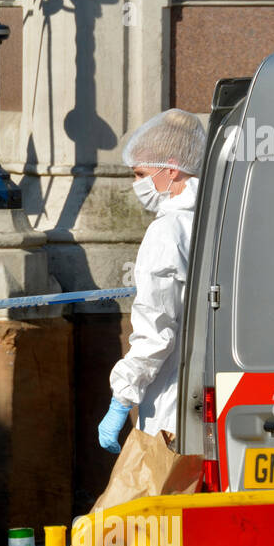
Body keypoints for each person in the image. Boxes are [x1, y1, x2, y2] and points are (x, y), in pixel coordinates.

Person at [98, 107, 205, 453]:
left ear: (171, 169)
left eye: (141, 173)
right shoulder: (214, 218)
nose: (136, 184)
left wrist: (121, 399)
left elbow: (156, 331)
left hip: (171, 406)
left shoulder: (166, 232)